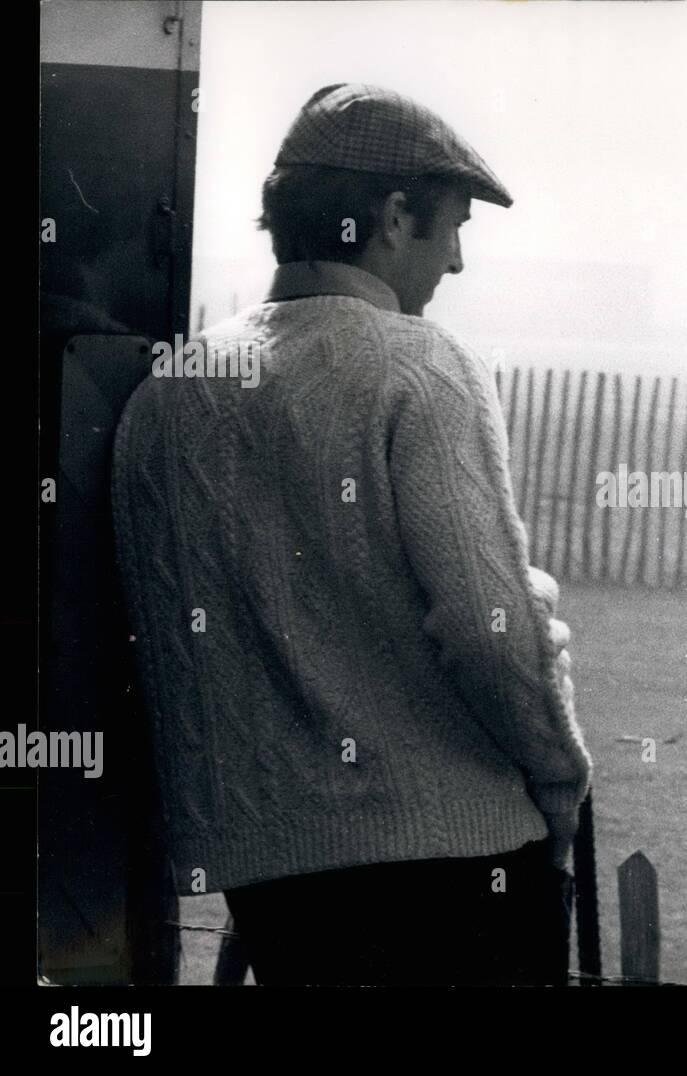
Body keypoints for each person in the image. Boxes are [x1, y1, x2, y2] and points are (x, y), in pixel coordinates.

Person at [112, 84, 591, 986]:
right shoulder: (422, 367)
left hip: (271, 884)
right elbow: (493, 630)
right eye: (452, 226)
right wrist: (561, 777)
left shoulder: (165, 393)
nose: (456, 262)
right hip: (458, 870)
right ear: (394, 215)